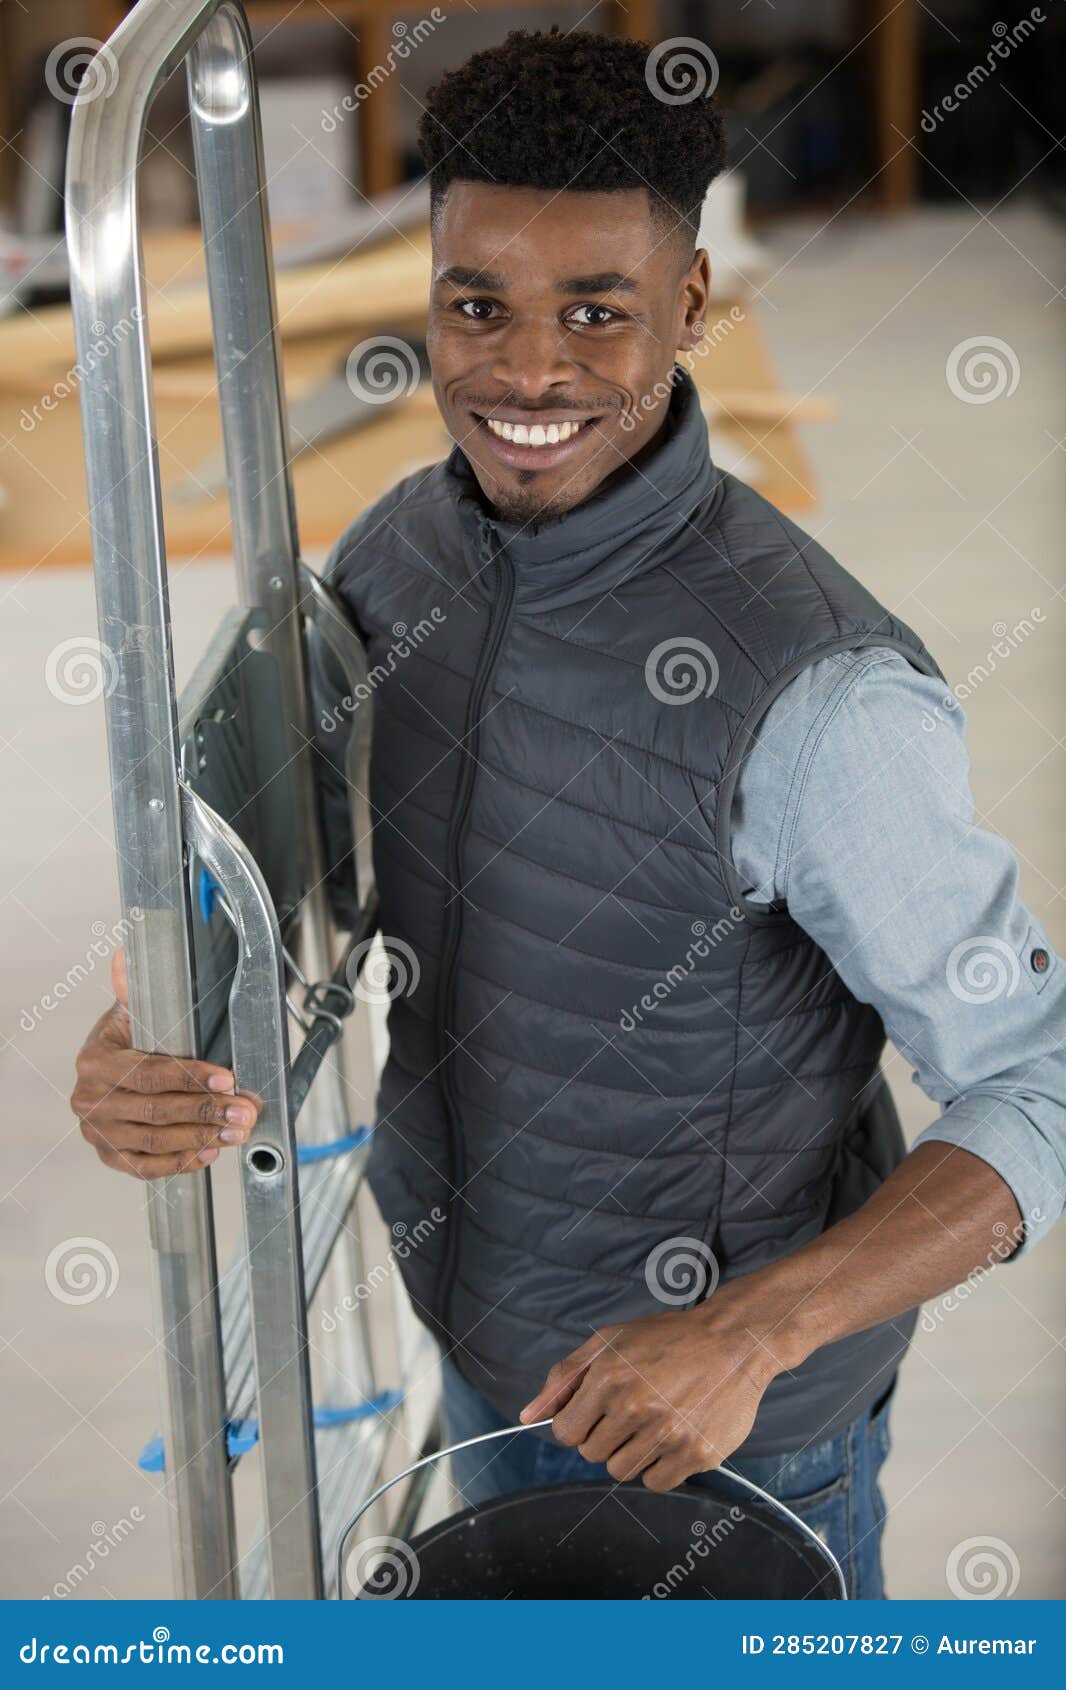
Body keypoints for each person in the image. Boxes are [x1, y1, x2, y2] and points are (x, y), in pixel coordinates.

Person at [70, 29, 1065, 1598]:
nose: (526, 372)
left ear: (686, 305)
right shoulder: (398, 555)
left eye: (594, 312)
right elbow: (288, 883)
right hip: (476, 1360)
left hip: (728, 1435)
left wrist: (753, 1329)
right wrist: (152, 1046)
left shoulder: (818, 689)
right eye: (478, 305)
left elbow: (1039, 1078)